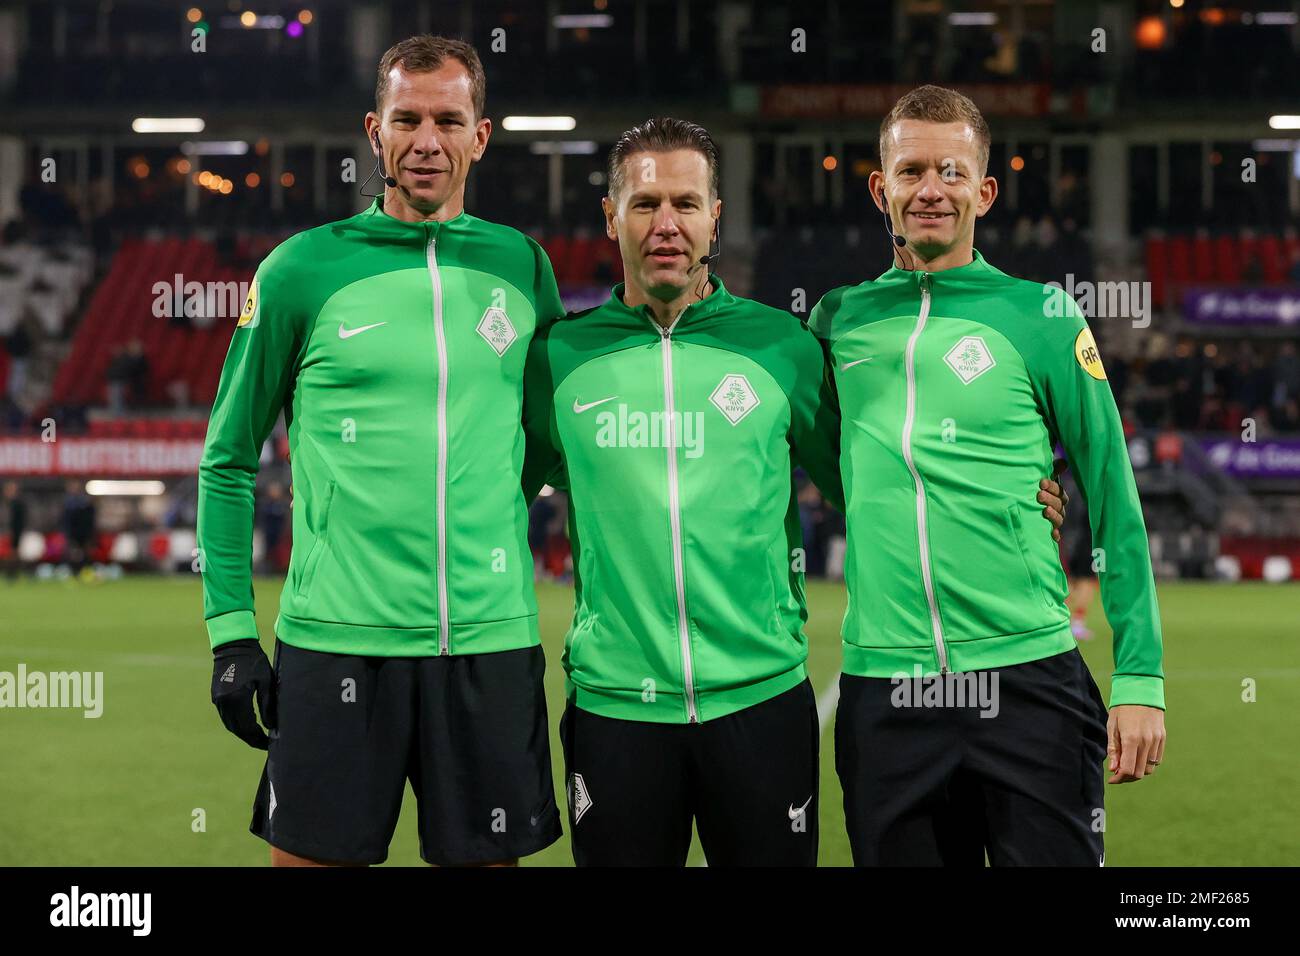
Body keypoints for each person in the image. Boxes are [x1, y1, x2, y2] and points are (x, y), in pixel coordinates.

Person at [523, 118, 1068, 866]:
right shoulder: (559, 358)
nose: (667, 224)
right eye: (645, 204)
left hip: (763, 703)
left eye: (687, 203)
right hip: (616, 708)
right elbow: (490, 485)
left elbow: (875, 481)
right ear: (611, 217)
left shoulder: (785, 348)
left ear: (717, 217)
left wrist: (1012, 492)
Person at [199, 35, 565, 867]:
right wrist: (229, 632)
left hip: (487, 641)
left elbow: (547, 439)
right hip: (336, 642)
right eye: (407, 119)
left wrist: (491, 519)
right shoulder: (300, 270)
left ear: (482, 134)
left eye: (448, 119)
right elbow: (227, 458)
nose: (426, 140)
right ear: (374, 130)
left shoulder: (524, 265)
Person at [812, 86, 1166, 867]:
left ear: (984, 189)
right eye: (909, 172)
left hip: (1028, 678)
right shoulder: (837, 321)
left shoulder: (1043, 315)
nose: (930, 188)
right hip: (886, 689)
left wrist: (1139, 673)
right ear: (881, 188)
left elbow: (1112, 493)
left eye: (950, 170)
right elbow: (839, 470)